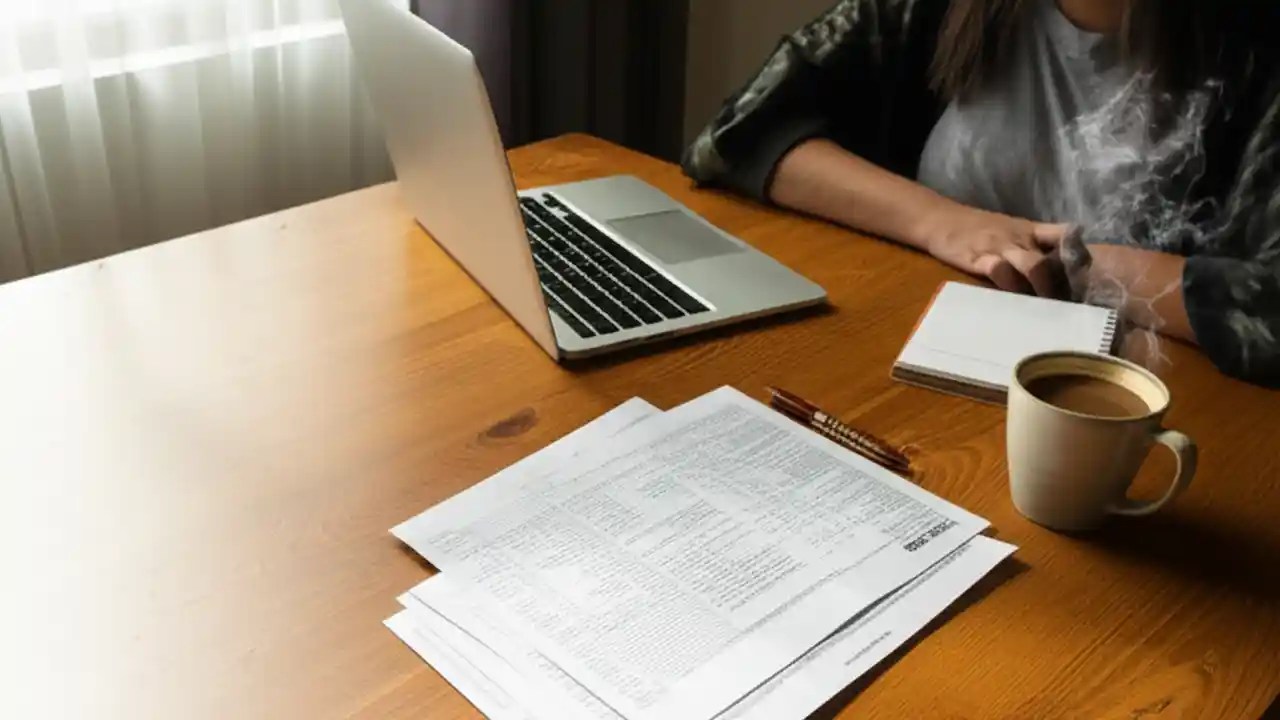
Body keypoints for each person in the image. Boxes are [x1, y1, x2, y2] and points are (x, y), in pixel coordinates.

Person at [683, 0, 1280, 387]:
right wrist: (947, 223)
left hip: (1127, 419)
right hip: (914, 372)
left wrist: (1082, 266)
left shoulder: (1255, 53)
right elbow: (735, 135)